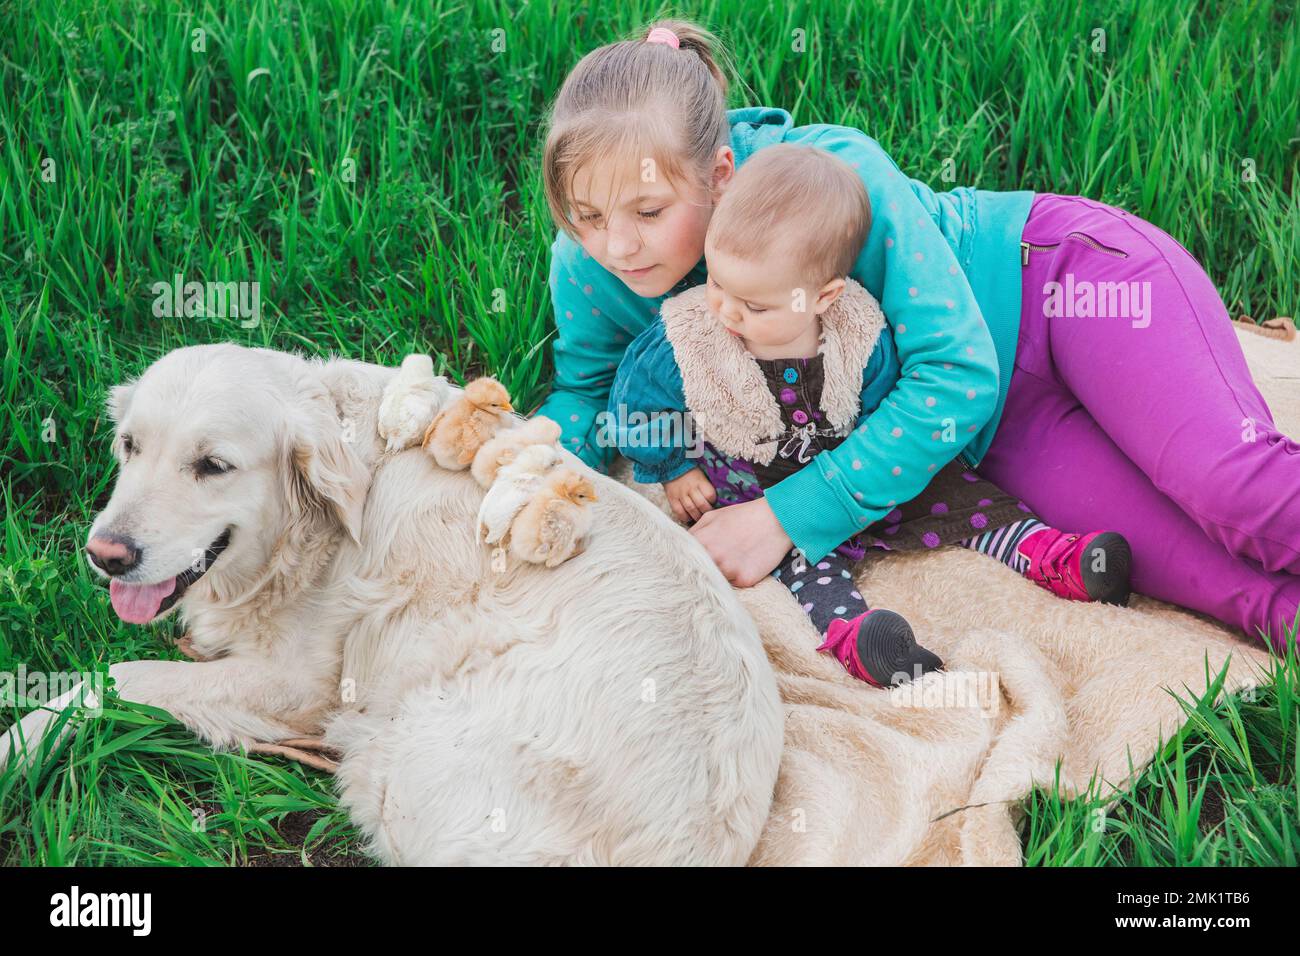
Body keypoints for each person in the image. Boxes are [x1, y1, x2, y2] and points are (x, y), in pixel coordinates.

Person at [536, 19, 1300, 651]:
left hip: (1064, 289)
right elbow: (585, 393)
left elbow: (956, 373)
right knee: (1223, 586)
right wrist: (520, 466)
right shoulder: (589, 268)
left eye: (646, 212)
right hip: (992, 436)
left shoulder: (831, 176)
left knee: (1230, 492)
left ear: (721, 174)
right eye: (588, 216)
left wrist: (785, 515)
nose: (618, 246)